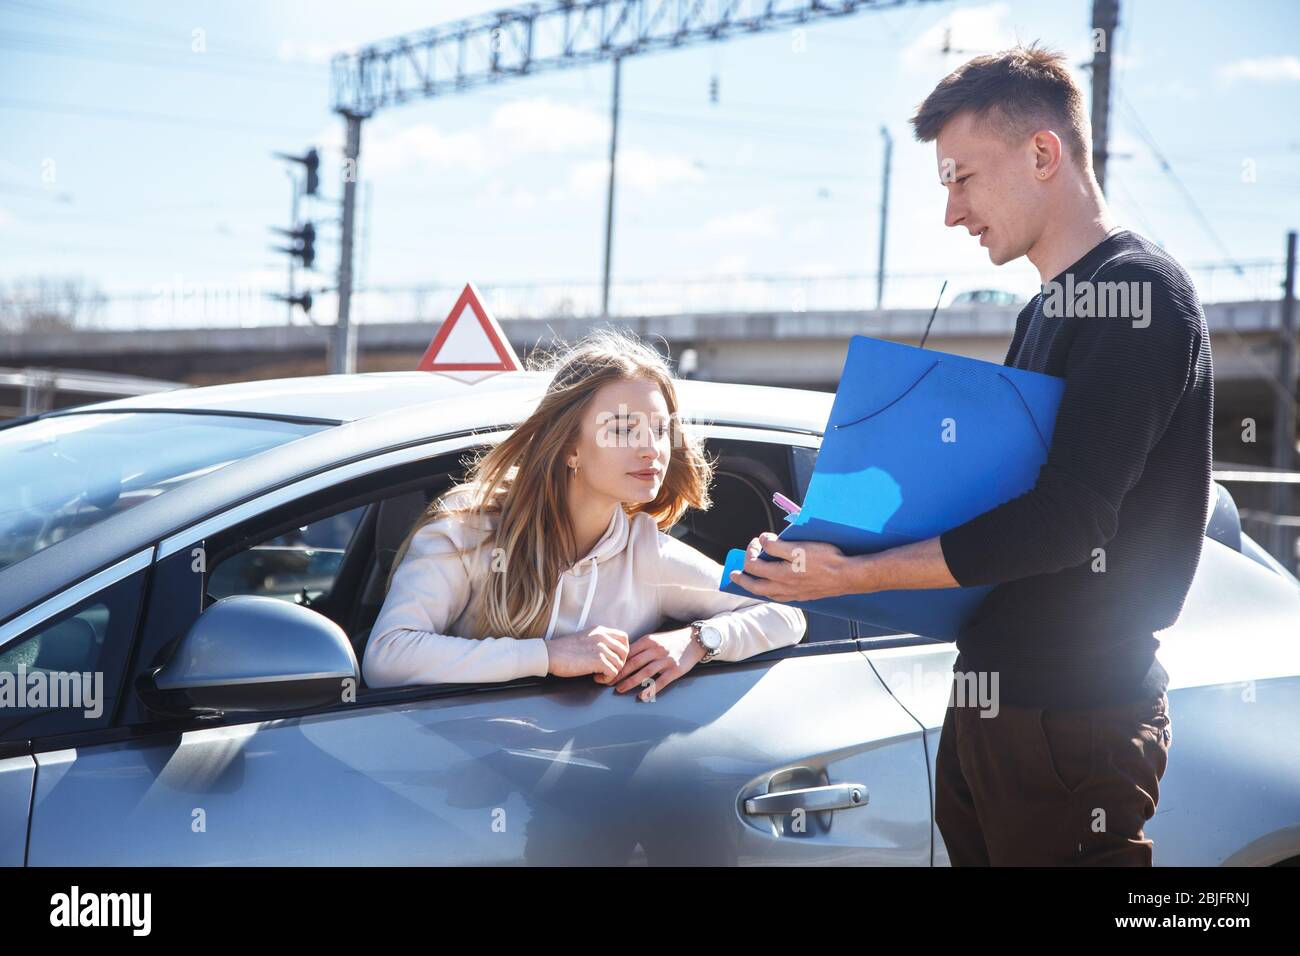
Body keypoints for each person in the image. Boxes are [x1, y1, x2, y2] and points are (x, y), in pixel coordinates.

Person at [732, 44, 1209, 866]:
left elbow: (1067, 522)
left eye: (962, 179)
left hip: (1074, 718)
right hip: (1000, 706)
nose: (952, 212)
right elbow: (999, 502)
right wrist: (839, 535)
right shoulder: (1046, 310)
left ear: (1043, 153)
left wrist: (851, 577)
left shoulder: (1139, 299)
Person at [363, 327, 806, 698]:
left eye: (657, 430)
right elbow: (388, 657)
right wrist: (550, 656)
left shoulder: (644, 552)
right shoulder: (468, 529)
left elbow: (786, 616)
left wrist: (698, 641)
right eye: (622, 429)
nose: (650, 448)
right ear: (571, 446)